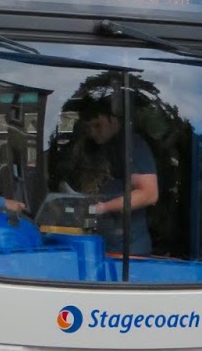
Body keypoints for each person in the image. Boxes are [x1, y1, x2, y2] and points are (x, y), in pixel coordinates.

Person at [61, 94, 158, 255]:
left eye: (98, 125)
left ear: (114, 119)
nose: (93, 133)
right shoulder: (100, 146)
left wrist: (102, 208)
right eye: (88, 128)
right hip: (105, 241)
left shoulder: (133, 146)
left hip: (129, 249)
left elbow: (148, 194)